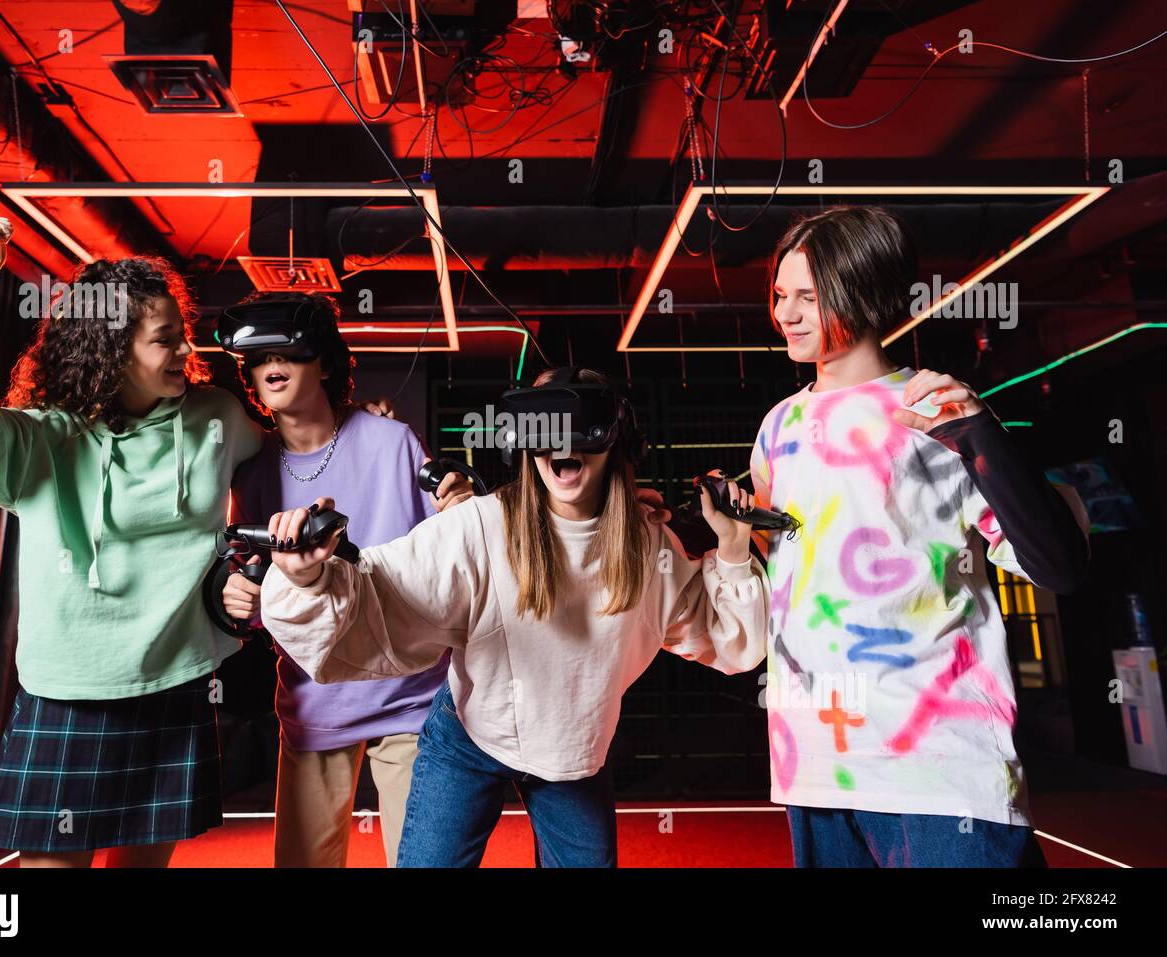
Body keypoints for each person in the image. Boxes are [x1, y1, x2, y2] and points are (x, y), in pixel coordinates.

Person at [257, 367, 771, 867]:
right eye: (544, 425)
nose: (561, 443)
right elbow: (381, 588)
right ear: (524, 440)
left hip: (573, 743)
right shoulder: (479, 527)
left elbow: (726, 639)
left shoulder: (648, 546)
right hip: (469, 733)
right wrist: (307, 578)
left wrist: (732, 544)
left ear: (615, 441)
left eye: (581, 425)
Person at [0, 212, 264, 867]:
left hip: (175, 684)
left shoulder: (217, 418)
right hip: (68, 692)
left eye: (184, 336)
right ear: (113, 349)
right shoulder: (41, 442)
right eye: (164, 341)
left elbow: (285, 468)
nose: (186, 352)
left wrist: (245, 567)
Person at [751, 205, 1089, 867]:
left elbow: (1060, 566)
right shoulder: (776, 428)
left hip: (940, 767)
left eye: (807, 297)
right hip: (815, 765)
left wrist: (981, 436)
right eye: (779, 295)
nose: (786, 314)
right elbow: (784, 579)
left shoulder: (937, 409)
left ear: (866, 294)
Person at [217, 291, 471, 867]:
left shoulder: (394, 441)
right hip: (315, 698)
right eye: (257, 359)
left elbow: (447, 553)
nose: (270, 366)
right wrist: (242, 599)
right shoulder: (252, 470)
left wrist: (463, 506)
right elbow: (261, 591)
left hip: (410, 693)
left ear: (326, 363)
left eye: (288, 352)